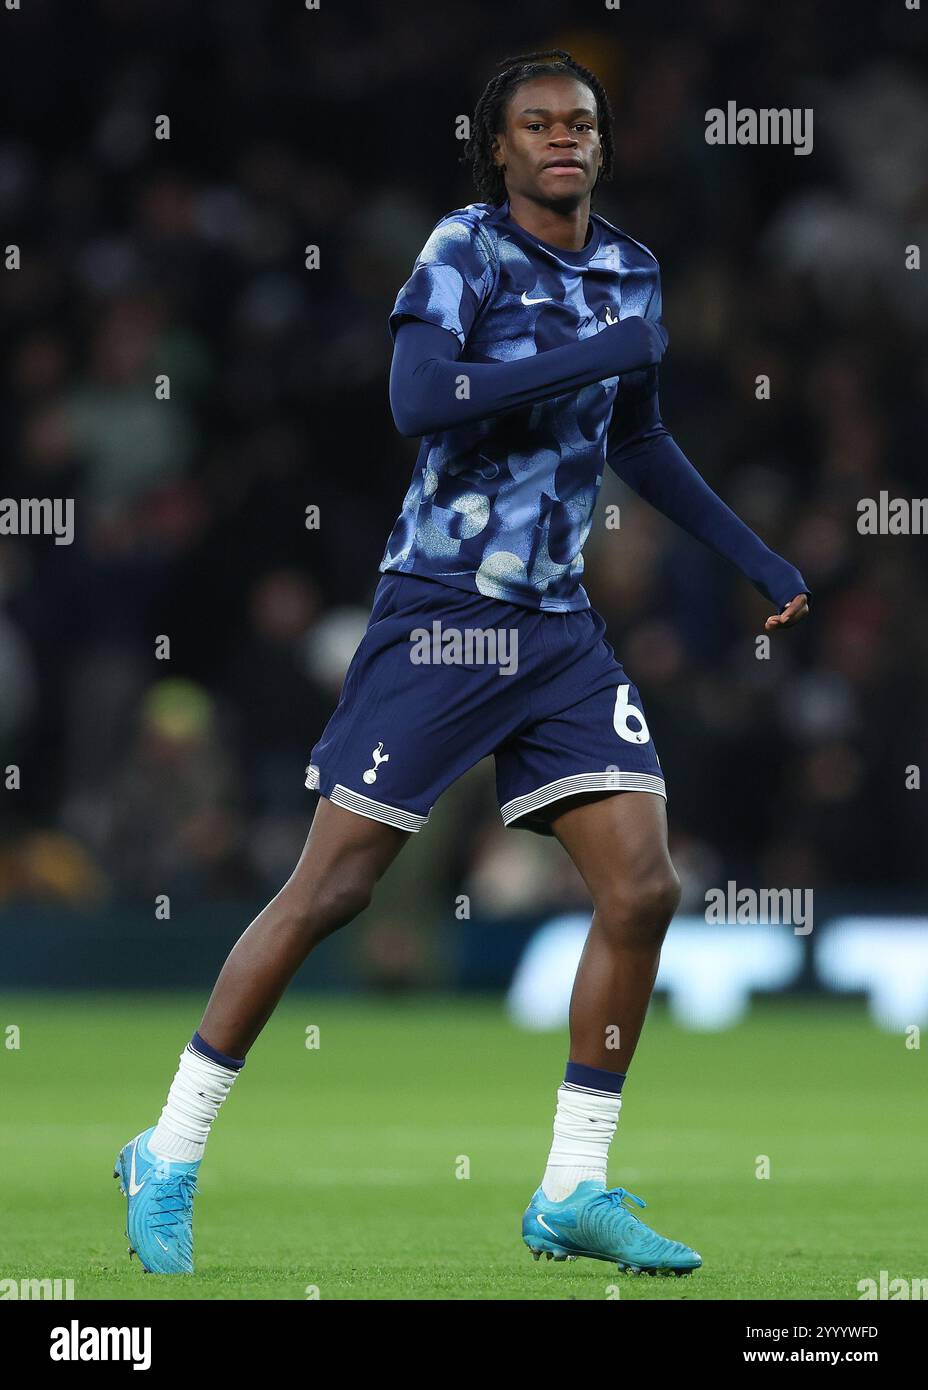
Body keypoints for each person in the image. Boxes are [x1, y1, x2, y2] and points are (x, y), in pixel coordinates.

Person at [115, 49, 809, 1278]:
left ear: (601, 142)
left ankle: (570, 1189)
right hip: (442, 616)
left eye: (581, 123)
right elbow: (419, 398)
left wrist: (756, 555)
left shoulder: (628, 268)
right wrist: (590, 356)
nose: (562, 138)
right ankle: (166, 1150)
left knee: (642, 888)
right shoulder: (466, 250)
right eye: (536, 124)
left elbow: (636, 440)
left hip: (557, 631)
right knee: (329, 892)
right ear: (498, 147)